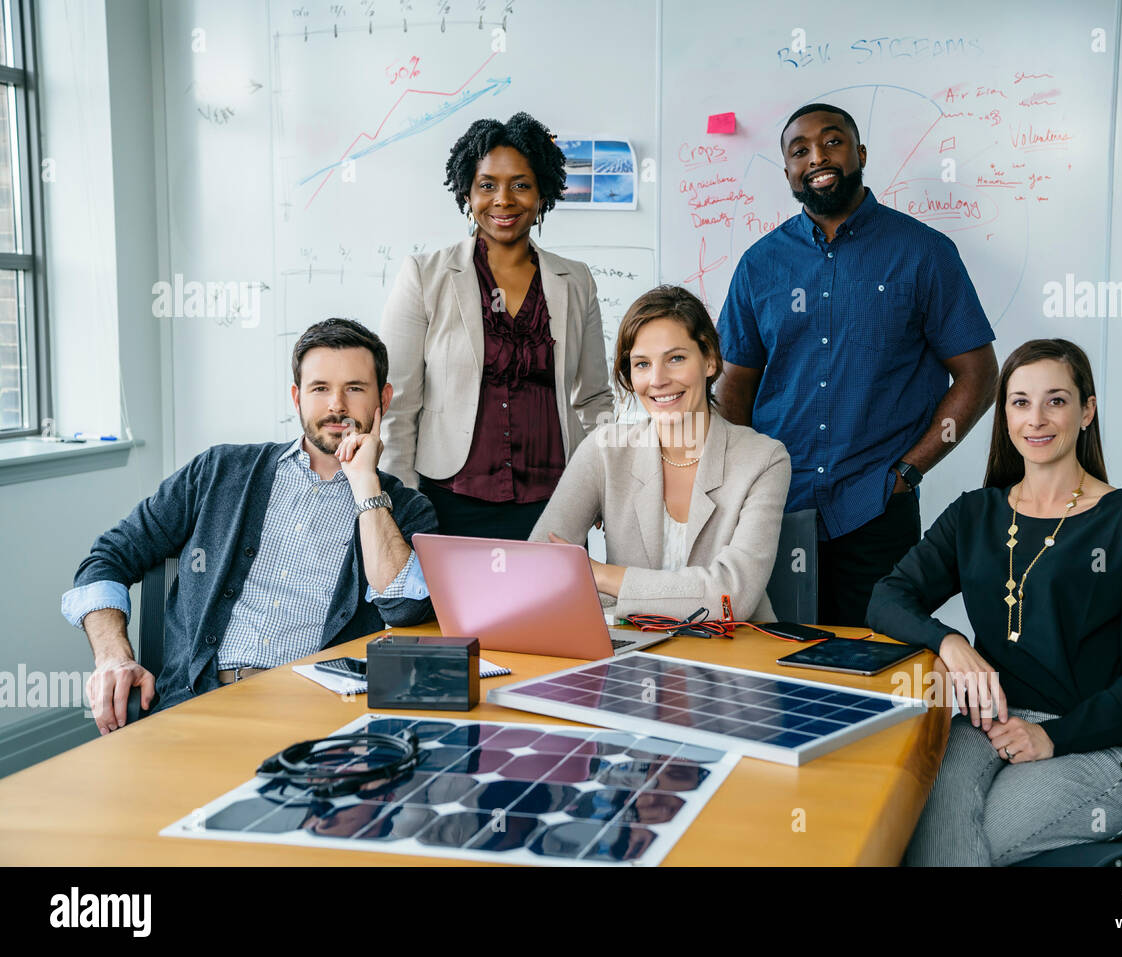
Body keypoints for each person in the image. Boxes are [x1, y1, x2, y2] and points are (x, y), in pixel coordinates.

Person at [867, 339, 1122, 866]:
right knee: (912, 832)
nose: (1036, 419)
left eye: (1056, 400)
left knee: (955, 847)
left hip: (1090, 746)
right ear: (1004, 415)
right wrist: (950, 643)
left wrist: (1051, 736)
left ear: (1087, 410)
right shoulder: (976, 514)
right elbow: (888, 598)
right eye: (1019, 402)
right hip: (984, 727)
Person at [63, 319, 437, 734]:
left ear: (383, 398)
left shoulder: (403, 510)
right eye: (319, 388)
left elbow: (405, 608)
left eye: (354, 388)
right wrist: (114, 656)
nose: (336, 405)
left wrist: (366, 485)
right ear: (296, 397)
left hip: (318, 723)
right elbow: (108, 558)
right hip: (196, 710)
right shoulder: (219, 471)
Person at [715, 101, 999, 627]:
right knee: (776, 669)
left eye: (832, 141)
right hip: (777, 510)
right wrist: (743, 482)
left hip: (876, 510)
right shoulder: (759, 265)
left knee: (876, 671)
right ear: (788, 173)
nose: (817, 157)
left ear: (860, 153)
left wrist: (909, 470)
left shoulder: (924, 253)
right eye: (800, 151)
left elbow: (978, 375)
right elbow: (734, 387)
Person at [380, 112, 613, 540]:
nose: (503, 199)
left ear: (542, 193)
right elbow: (398, 406)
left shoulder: (576, 281)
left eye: (521, 184)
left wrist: (603, 484)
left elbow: (595, 397)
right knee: (450, 611)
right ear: (467, 194)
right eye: (487, 185)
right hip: (448, 500)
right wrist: (401, 502)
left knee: (552, 609)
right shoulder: (424, 276)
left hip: (556, 502)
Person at [530, 285, 791, 623]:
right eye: (641, 364)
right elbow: (541, 567)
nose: (657, 380)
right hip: (632, 650)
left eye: (676, 359)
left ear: (710, 359)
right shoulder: (605, 449)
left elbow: (730, 600)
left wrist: (601, 575)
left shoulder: (764, 459)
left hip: (734, 657)